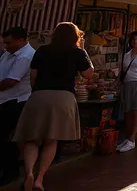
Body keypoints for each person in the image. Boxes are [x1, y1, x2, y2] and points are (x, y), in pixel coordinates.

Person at [15, 23, 93, 191]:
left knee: (32, 139)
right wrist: (84, 51)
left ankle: (29, 173)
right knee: (51, 140)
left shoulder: (42, 51)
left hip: (39, 96)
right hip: (63, 97)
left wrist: (37, 92)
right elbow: (88, 74)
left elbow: (33, 76)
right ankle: (40, 178)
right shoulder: (77, 52)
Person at [0, 27, 34, 185]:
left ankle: (11, 171)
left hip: (15, 102)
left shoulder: (26, 56)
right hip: (4, 100)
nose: (6, 46)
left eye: (9, 42)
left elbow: (11, 81)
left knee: (7, 136)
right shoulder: (8, 54)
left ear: (21, 40)